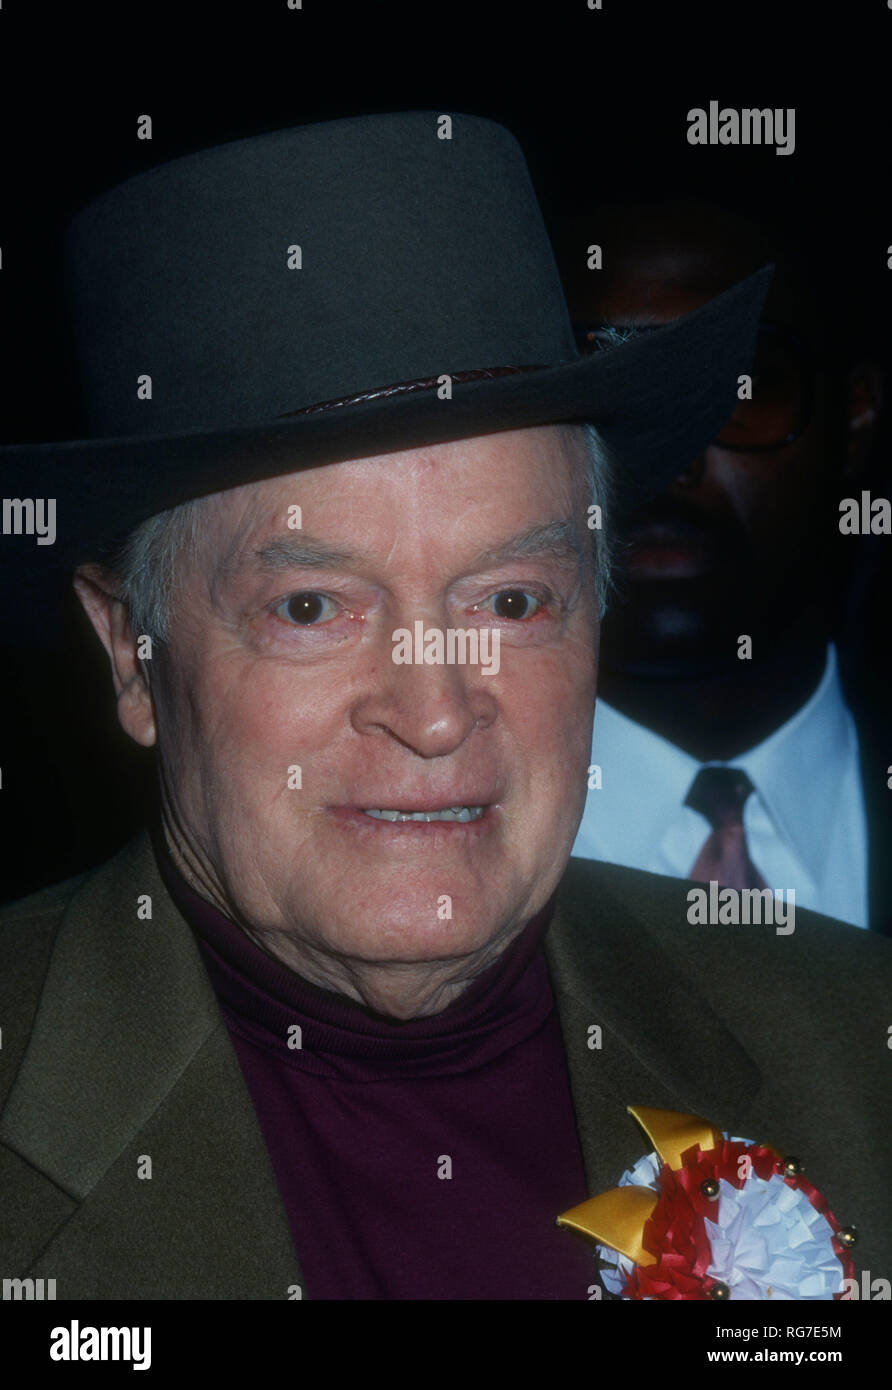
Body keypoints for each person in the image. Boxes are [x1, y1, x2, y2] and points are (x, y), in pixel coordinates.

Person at [0, 115, 889, 1301]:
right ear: (131, 655)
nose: (432, 711)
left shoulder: (852, 1042)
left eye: (513, 598)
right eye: (312, 606)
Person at [558, 200, 890, 933]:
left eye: (742, 384)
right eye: (602, 385)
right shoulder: (410, 834)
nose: (671, 460)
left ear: (855, 419)